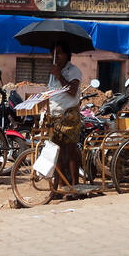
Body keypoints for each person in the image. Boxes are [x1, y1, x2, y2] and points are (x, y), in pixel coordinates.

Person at [46, 42, 83, 193]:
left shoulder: (74, 71)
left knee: (71, 152)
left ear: (67, 54)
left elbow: (72, 91)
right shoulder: (53, 72)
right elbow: (51, 94)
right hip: (54, 117)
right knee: (57, 152)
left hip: (69, 115)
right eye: (54, 53)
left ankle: (74, 187)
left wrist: (59, 75)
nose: (56, 56)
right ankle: (61, 186)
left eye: (60, 53)